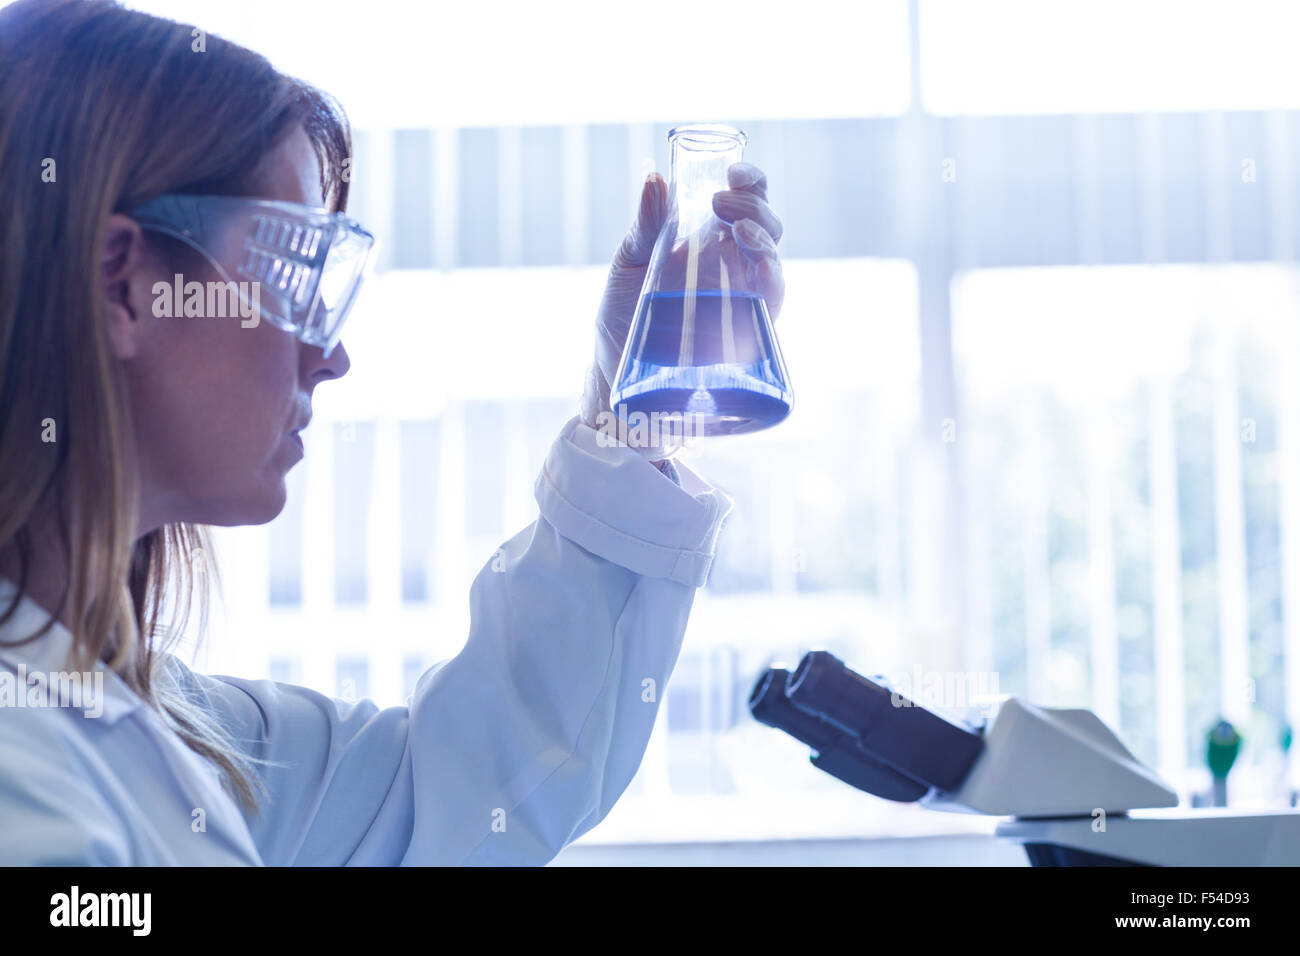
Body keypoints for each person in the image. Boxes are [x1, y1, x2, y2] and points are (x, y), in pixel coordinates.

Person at [0, 0, 786, 864]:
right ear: (123, 286)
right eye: (296, 271)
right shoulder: (28, 768)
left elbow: (445, 795)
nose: (328, 356)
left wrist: (630, 419)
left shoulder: (156, 725)